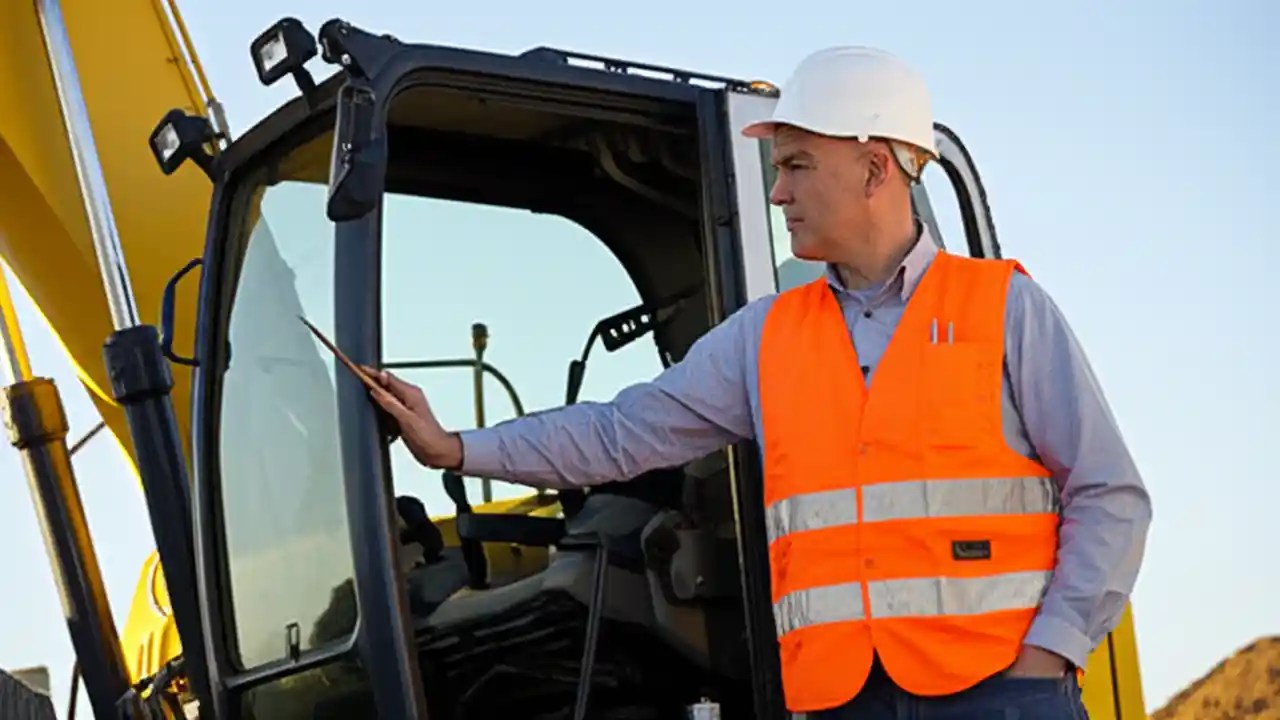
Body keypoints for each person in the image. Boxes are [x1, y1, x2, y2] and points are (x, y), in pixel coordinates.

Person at [365, 46, 1152, 720]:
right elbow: (619, 433)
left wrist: (1052, 650)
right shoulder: (766, 337)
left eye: (797, 166)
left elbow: (1109, 494)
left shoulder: (1004, 309)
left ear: (875, 167)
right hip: (846, 702)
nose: (778, 193)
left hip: (1000, 697)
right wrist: (457, 448)